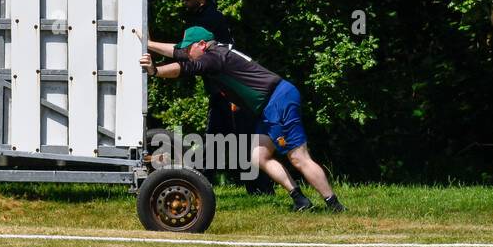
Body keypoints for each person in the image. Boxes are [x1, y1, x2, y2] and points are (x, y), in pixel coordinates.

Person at [137, 26, 344, 212]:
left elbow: (185, 68)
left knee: (298, 157)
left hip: (278, 100)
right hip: (269, 104)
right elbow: (177, 51)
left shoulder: (212, 58)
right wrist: (148, 44)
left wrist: (155, 71)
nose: (186, 55)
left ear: (201, 45)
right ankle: (300, 200)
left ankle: (334, 204)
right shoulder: (214, 50)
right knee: (259, 156)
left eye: (188, 49)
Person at [178, 0, 276, 194]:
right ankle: (201, 184)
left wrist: (231, 94)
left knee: (242, 139)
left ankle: (260, 188)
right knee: (214, 138)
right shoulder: (196, 17)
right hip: (218, 89)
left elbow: (224, 59)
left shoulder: (213, 18)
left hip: (230, 89)